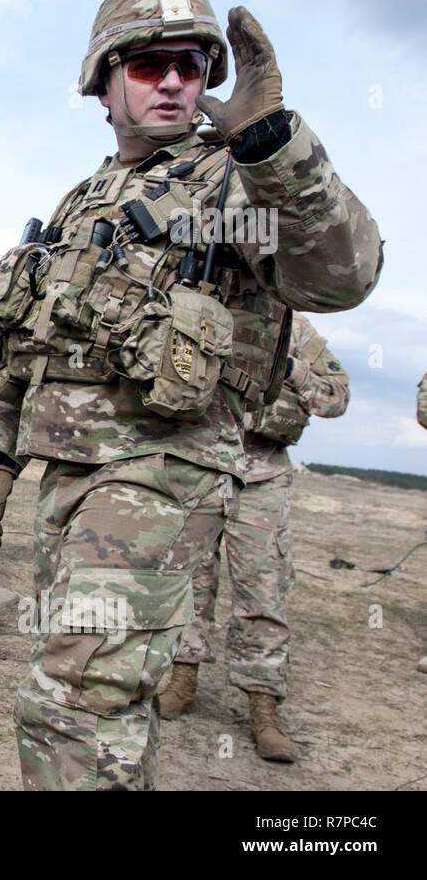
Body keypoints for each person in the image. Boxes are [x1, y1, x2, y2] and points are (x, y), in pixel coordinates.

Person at [0, 0, 382, 789]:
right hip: (72, 474)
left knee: (75, 700)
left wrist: (272, 141)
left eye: (189, 67)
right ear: (103, 82)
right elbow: (32, 337)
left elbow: (345, 272)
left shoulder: (234, 179)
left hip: (164, 467)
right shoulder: (85, 200)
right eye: (149, 64)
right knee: (113, 697)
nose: (173, 82)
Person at [158, 314, 348, 763]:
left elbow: (336, 399)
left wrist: (291, 369)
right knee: (189, 584)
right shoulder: (205, 307)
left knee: (263, 591)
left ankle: (263, 707)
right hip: (200, 464)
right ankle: (181, 681)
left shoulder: (294, 328)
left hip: (263, 475)